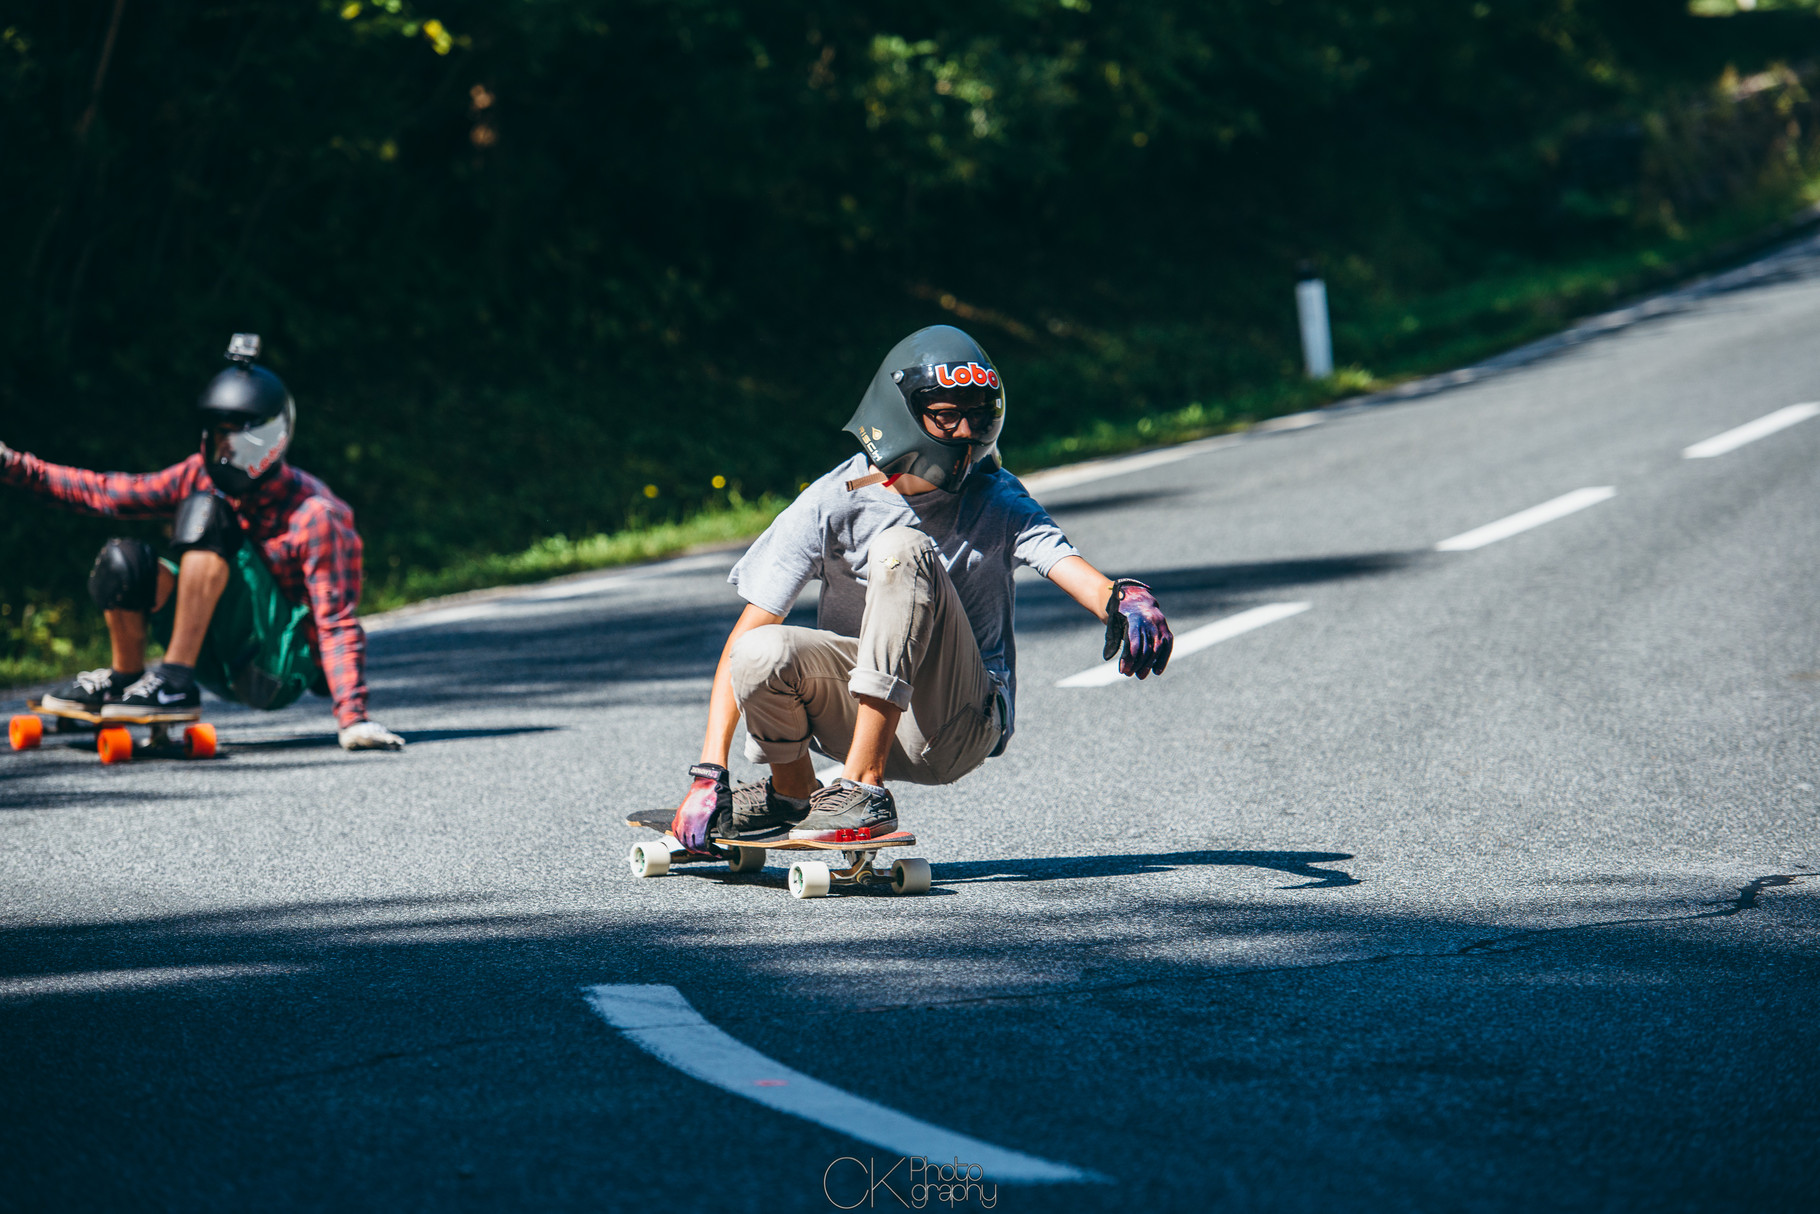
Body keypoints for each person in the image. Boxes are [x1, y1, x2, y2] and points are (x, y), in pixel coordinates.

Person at [669, 324, 1172, 850]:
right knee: (756, 650)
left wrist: (1124, 598)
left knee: (901, 549)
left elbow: (1068, 565)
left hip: (958, 722)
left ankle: (862, 787)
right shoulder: (833, 500)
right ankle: (793, 796)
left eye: (978, 417)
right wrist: (709, 774)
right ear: (897, 412)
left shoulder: (996, 497)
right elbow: (742, 641)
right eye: (946, 416)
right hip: (855, 717)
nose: (964, 434)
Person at [0, 334, 405, 752]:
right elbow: (106, 493)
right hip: (216, 658)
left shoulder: (316, 514)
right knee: (125, 561)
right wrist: (12, 465)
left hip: (273, 669)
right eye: (218, 436)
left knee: (207, 512)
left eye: (238, 439)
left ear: (271, 441)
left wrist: (353, 717)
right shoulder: (200, 473)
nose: (225, 450)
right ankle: (125, 682)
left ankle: (173, 680)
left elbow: (336, 620)